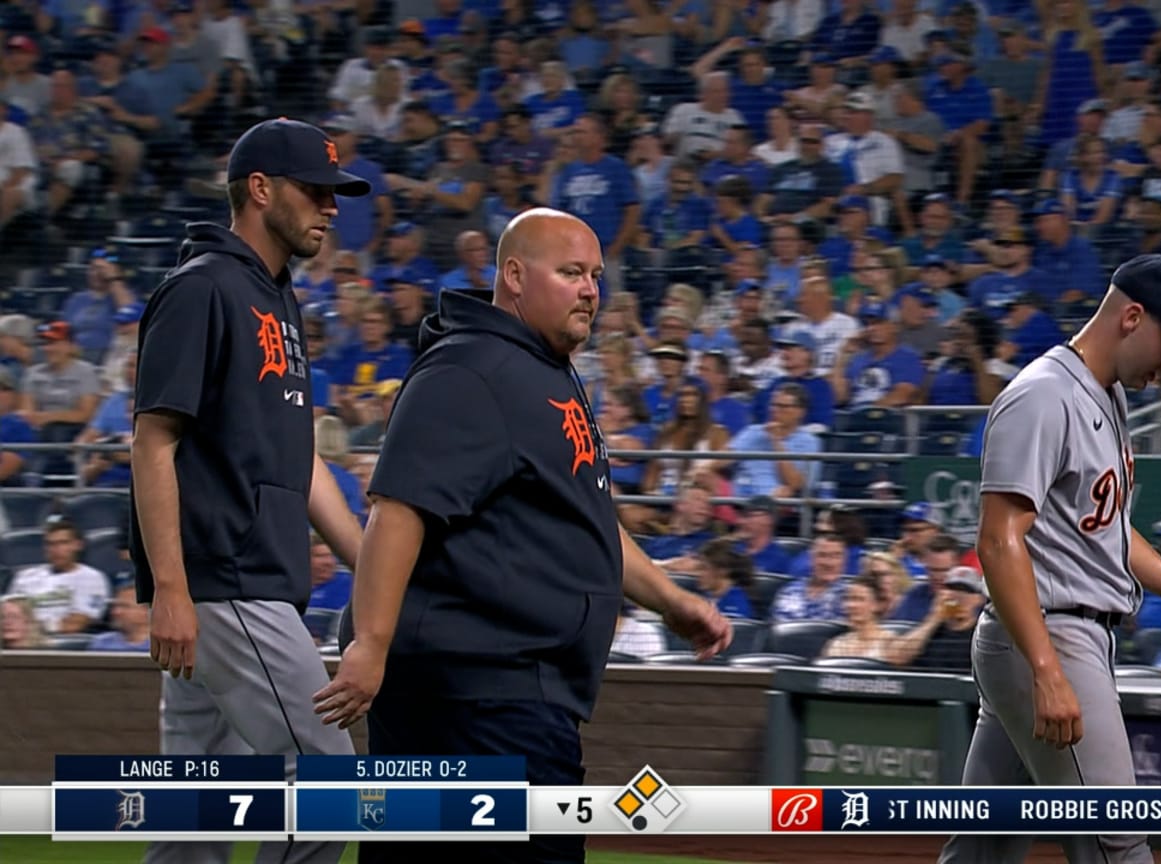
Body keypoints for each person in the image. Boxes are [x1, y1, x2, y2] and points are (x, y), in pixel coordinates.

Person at [313, 207, 731, 864]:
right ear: (513, 276)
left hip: (511, 695)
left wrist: (674, 603)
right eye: (571, 272)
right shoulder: (469, 370)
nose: (592, 288)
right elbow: (398, 511)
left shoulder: (545, 372)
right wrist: (370, 643)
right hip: (474, 702)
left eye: (595, 274)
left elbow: (588, 521)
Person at [938, 255, 1161, 864]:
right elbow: (997, 542)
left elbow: (1109, 536)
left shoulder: (1107, 396)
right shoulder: (1043, 396)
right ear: (1132, 317)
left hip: (1058, 636)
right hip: (1049, 636)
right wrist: (1048, 670)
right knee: (1116, 844)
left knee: (982, 851)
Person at [130, 118, 370, 864]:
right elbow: (152, 442)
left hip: (238, 584)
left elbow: (297, 468)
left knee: (196, 810)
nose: (330, 207)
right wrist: (171, 587)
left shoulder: (277, 300)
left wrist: (377, 568)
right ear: (260, 190)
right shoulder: (203, 288)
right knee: (331, 781)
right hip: (228, 581)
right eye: (315, 190)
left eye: (335, 193)